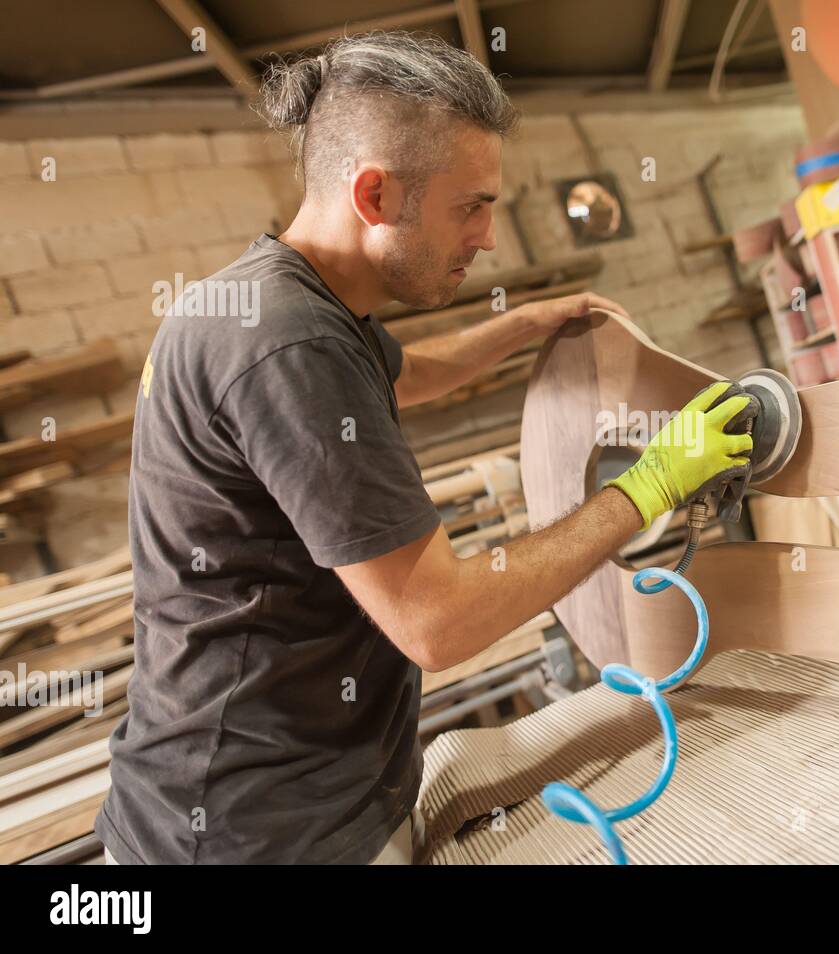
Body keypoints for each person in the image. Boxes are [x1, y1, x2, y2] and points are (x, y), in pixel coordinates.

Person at [95, 31, 753, 864]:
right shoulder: (290, 345)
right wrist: (651, 484)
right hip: (261, 835)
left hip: (239, 798)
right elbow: (437, 624)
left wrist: (520, 328)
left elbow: (396, 378)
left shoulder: (266, 301)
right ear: (375, 194)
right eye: (470, 206)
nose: (487, 239)